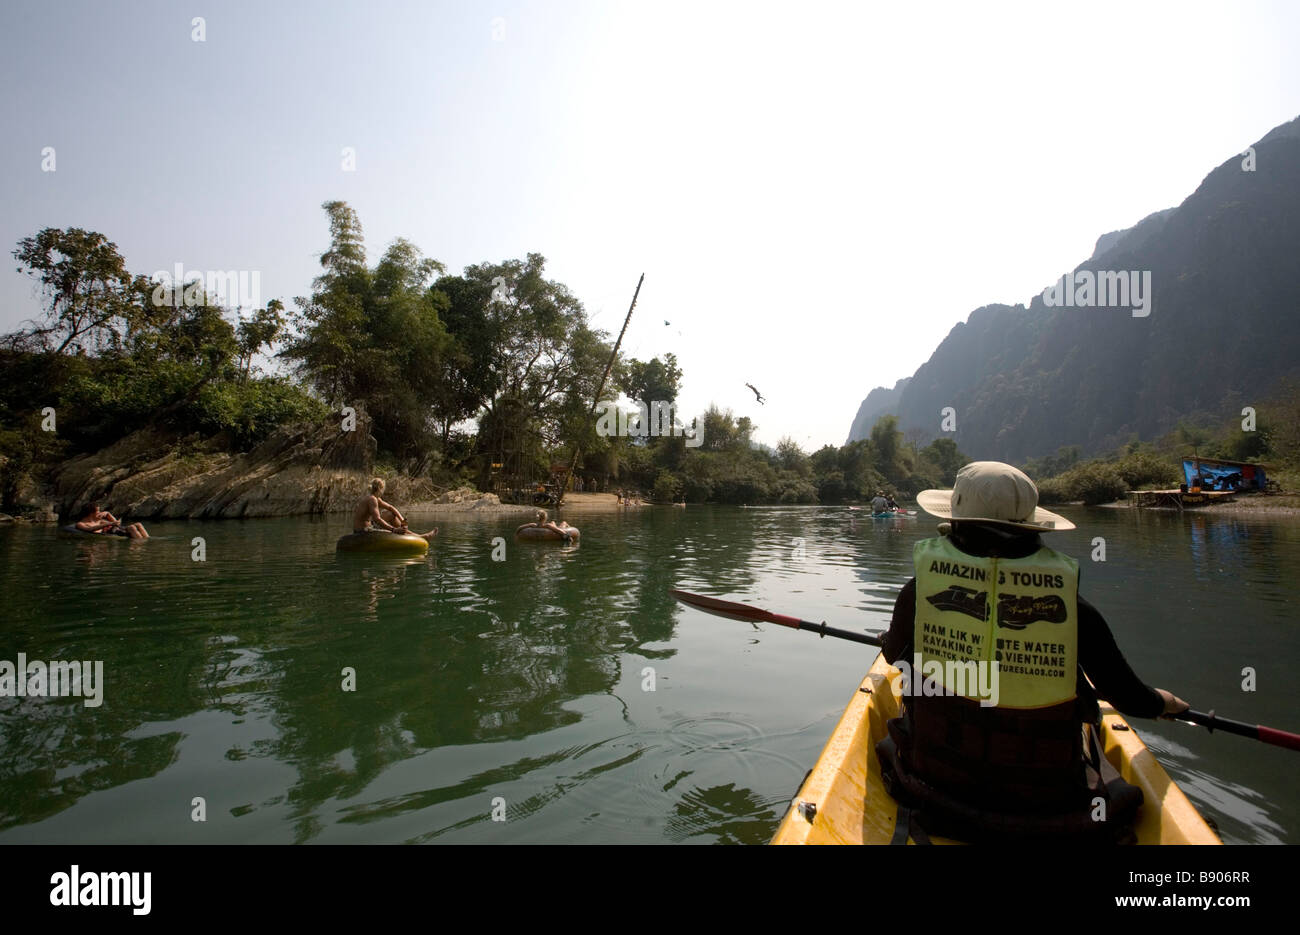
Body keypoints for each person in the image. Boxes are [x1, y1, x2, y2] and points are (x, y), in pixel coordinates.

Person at [876, 461, 1189, 840]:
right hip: (1046, 804)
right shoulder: (1072, 607)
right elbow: (1128, 698)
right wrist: (1165, 702)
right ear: (1030, 526)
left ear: (955, 519)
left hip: (934, 789)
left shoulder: (920, 590)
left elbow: (894, 656)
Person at [352, 479, 437, 540]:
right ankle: (421, 537)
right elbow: (377, 519)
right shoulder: (372, 499)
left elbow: (391, 508)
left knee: (390, 514)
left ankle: (417, 535)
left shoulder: (376, 498)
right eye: (383, 489)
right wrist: (394, 530)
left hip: (369, 526)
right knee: (392, 523)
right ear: (380, 489)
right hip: (362, 531)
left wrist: (403, 520)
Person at [75, 503, 148, 539]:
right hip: (115, 533)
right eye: (98, 511)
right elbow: (90, 529)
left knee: (138, 524)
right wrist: (109, 524)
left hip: (117, 530)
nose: (100, 512)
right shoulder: (80, 524)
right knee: (131, 527)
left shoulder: (99, 520)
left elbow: (117, 524)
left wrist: (108, 514)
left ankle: (147, 540)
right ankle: (141, 544)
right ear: (91, 513)